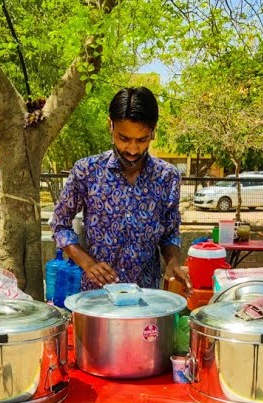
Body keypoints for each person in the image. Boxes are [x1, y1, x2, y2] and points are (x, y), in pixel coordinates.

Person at [50, 86, 190, 292]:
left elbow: (169, 234)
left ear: (153, 131)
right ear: (110, 126)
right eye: (123, 138)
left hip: (146, 297)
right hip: (97, 295)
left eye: (142, 140)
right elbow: (59, 224)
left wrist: (173, 262)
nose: (132, 149)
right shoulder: (87, 171)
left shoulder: (167, 177)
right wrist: (87, 263)